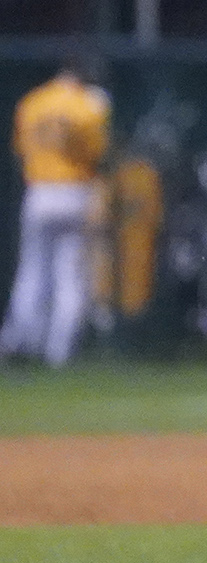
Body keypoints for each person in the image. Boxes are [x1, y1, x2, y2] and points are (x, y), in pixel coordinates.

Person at [2, 55, 112, 367]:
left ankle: (21, 344)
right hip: (77, 191)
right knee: (71, 276)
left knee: (32, 272)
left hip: (40, 190)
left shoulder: (33, 101)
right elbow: (101, 154)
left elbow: (21, 151)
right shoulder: (89, 104)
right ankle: (59, 353)